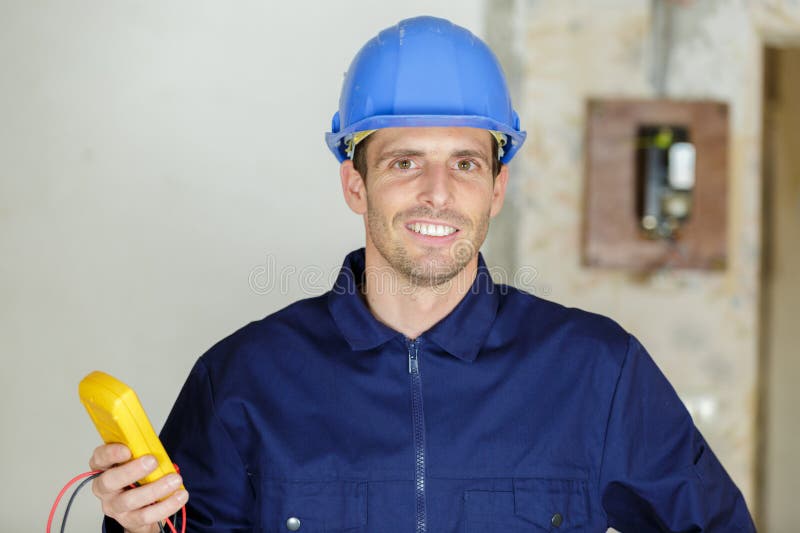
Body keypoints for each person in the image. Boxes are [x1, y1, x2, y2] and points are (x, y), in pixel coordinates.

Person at [89, 16, 755, 532]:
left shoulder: (598, 372)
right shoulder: (241, 379)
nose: (438, 193)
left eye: (465, 162)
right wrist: (131, 524)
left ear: (497, 188)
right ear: (356, 183)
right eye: (405, 161)